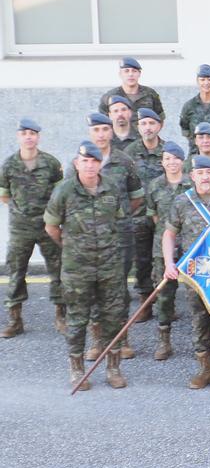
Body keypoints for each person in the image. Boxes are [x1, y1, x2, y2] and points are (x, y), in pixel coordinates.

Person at [45, 142, 128, 390]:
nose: (90, 165)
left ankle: (113, 368)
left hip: (109, 265)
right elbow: (51, 227)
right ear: (76, 163)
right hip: (77, 267)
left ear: (100, 163)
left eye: (94, 160)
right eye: (85, 161)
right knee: (77, 319)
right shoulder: (64, 191)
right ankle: (77, 370)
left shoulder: (111, 187)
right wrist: (72, 246)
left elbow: (119, 218)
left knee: (113, 318)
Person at [161, 155, 210, 390]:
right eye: (200, 173)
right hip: (194, 273)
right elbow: (169, 234)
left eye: (209, 172)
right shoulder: (183, 202)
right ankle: (205, 370)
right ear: (192, 176)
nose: (205, 177)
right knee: (199, 320)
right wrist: (168, 263)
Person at [81, 112, 144, 361]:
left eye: (105, 130)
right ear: (90, 133)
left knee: (118, 287)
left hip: (120, 236)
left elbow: (136, 196)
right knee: (95, 287)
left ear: (111, 132)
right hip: (90, 237)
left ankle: (121, 338)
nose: (101, 134)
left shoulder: (124, 161)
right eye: (96, 130)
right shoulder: (81, 161)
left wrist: (121, 216)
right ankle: (97, 340)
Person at [1, 119, 64, 338]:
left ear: (38, 137)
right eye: (24, 133)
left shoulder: (51, 163)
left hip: (47, 226)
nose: (29, 137)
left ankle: (61, 316)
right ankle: (15, 320)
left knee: (58, 271)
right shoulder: (9, 165)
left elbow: (59, 195)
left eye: (33, 133)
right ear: (18, 136)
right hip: (20, 228)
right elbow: (5, 195)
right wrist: (23, 212)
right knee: (16, 272)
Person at [144, 141, 189, 360]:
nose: (172, 163)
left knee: (198, 296)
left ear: (183, 161)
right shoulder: (155, 186)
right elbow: (154, 217)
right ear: (162, 162)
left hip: (192, 246)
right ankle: (164, 341)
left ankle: (207, 340)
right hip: (164, 248)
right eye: (167, 159)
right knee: (164, 296)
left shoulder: (193, 183)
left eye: (176, 158)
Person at [123, 108, 166, 322]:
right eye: (143, 124)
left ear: (159, 126)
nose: (148, 127)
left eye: (152, 123)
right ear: (138, 127)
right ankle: (145, 301)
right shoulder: (129, 153)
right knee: (141, 260)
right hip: (139, 215)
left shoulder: (168, 151)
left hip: (162, 215)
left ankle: (166, 302)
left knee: (163, 260)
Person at [99, 56, 165, 122]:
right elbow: (103, 123)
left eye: (134, 71)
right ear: (120, 74)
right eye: (126, 71)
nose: (130, 74)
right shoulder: (109, 97)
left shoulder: (150, 94)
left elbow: (160, 118)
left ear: (139, 74)